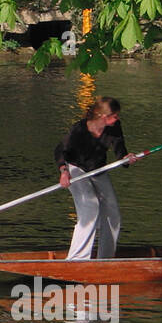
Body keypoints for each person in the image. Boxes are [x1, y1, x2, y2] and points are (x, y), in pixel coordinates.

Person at [55, 96, 136, 260]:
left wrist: (127, 158)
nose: (117, 118)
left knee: (112, 213)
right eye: (114, 115)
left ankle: (105, 259)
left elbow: (120, 151)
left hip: (98, 169)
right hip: (75, 169)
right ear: (103, 116)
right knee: (90, 208)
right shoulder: (80, 129)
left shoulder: (115, 127)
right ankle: (77, 260)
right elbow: (60, 150)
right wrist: (64, 171)